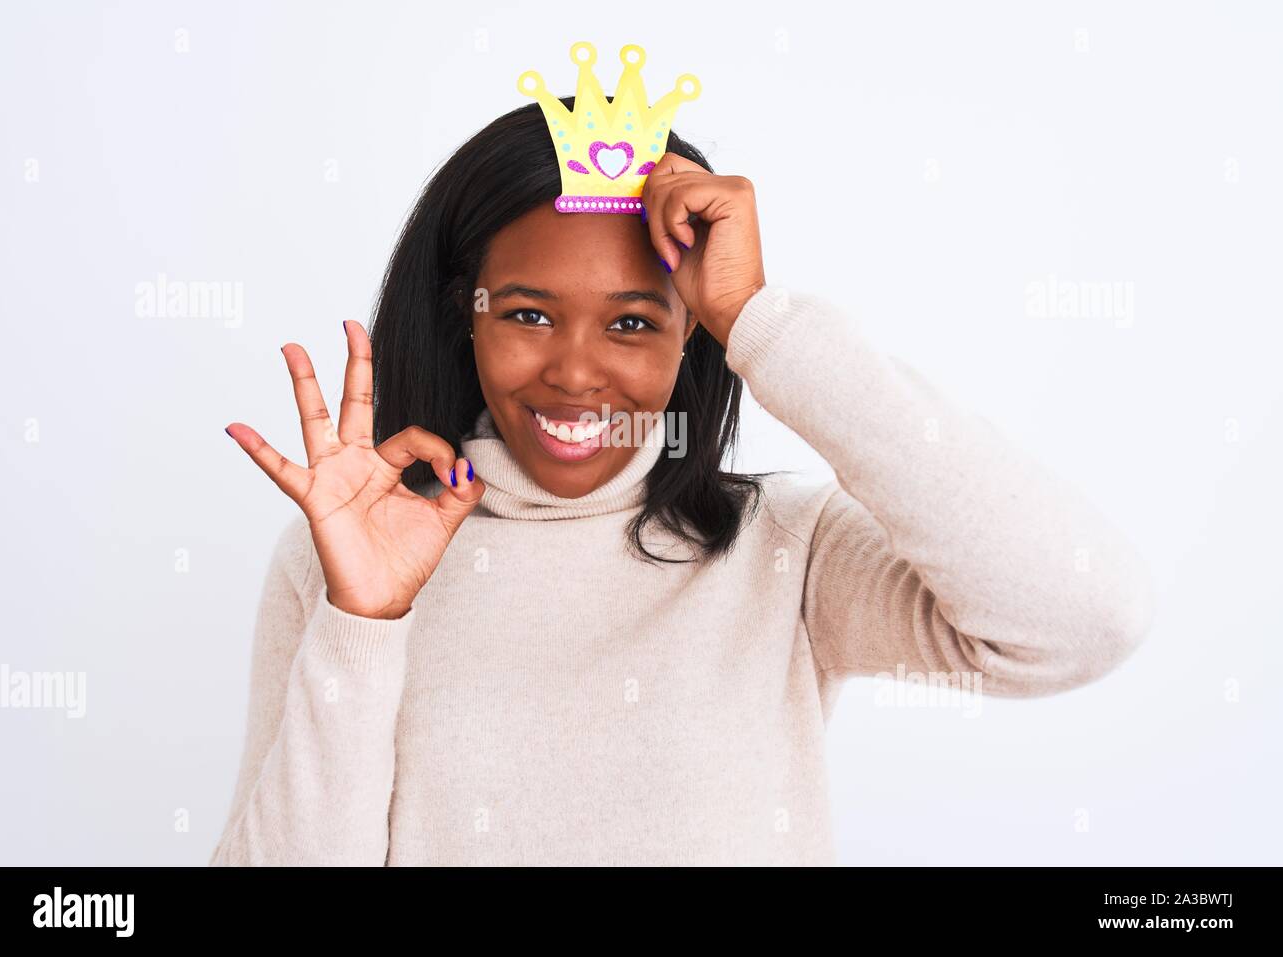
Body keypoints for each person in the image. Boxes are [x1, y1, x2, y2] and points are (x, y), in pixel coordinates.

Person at [211, 97, 1153, 866]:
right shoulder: (343, 564)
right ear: (468, 313)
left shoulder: (786, 548)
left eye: (631, 323)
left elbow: (1086, 616)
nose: (577, 374)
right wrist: (363, 626)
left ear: (691, 332)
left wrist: (761, 321)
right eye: (532, 313)